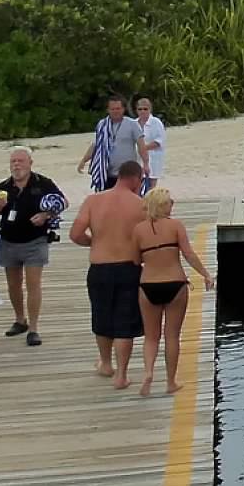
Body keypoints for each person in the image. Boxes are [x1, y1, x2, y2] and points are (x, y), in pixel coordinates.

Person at [70, 160, 148, 388]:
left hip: (100, 267)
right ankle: (122, 374)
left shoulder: (93, 200)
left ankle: (105, 363)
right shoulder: (140, 205)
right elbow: (147, 237)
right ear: (135, 179)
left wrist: (94, 242)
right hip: (128, 267)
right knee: (125, 320)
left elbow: (75, 234)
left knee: (102, 316)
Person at [131, 188, 209, 397]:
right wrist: (206, 275)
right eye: (169, 203)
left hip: (148, 286)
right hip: (175, 283)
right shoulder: (175, 226)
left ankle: (148, 373)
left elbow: (135, 260)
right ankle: (170, 381)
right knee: (172, 335)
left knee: (151, 336)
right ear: (162, 205)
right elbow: (189, 254)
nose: (172, 205)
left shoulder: (138, 230)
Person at [0, 147, 67, 345]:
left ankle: (33, 328)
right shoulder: (3, 187)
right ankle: (19, 320)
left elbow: (63, 202)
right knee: (13, 285)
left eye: (21, 161)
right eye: (13, 161)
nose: (17, 165)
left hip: (35, 240)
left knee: (33, 284)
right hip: (8, 240)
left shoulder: (43, 183)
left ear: (30, 162)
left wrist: (46, 215)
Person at [76, 94, 143, 194]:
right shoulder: (102, 125)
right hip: (107, 173)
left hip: (127, 174)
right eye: (112, 109)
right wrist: (83, 160)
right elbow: (96, 145)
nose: (115, 111)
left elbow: (141, 145)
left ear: (123, 109)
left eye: (118, 108)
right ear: (108, 110)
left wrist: (145, 164)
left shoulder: (132, 124)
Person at [134, 96, 167, 192]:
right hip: (137, 158)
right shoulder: (134, 123)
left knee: (151, 187)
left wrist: (143, 147)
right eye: (140, 109)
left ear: (150, 109)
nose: (142, 111)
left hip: (153, 158)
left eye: (145, 109)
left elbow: (159, 141)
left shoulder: (156, 122)